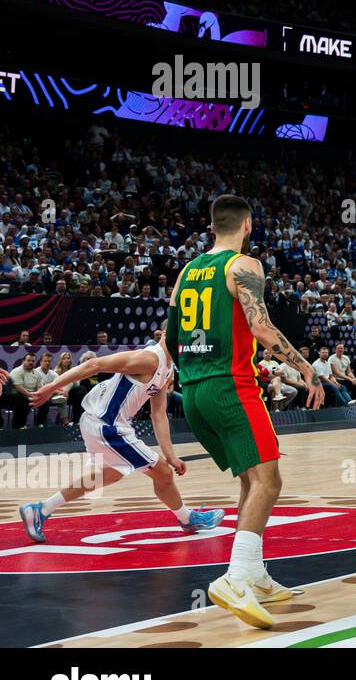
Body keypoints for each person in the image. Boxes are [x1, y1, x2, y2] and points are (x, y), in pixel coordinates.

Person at [165, 194, 324, 630]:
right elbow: (261, 327)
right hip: (231, 387)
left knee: (250, 479)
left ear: (212, 225)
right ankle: (235, 578)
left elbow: (171, 337)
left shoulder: (186, 271)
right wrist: (307, 368)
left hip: (193, 390)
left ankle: (253, 574)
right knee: (270, 481)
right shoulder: (245, 266)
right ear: (248, 224)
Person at [19, 343, 225, 543]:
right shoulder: (149, 358)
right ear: (167, 333)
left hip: (103, 424)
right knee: (163, 473)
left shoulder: (167, 369)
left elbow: (159, 414)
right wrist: (52, 387)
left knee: (110, 474)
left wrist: (170, 454)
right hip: (106, 425)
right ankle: (187, 519)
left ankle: (40, 510)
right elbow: (94, 365)